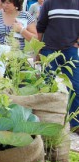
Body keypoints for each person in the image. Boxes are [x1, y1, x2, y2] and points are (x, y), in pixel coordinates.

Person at [37, 0, 79, 132]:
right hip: (49, 49)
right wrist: (37, 49)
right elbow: (41, 27)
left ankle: (75, 123)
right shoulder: (49, 3)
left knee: (76, 86)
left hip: (70, 50)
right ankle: (45, 121)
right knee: (47, 85)